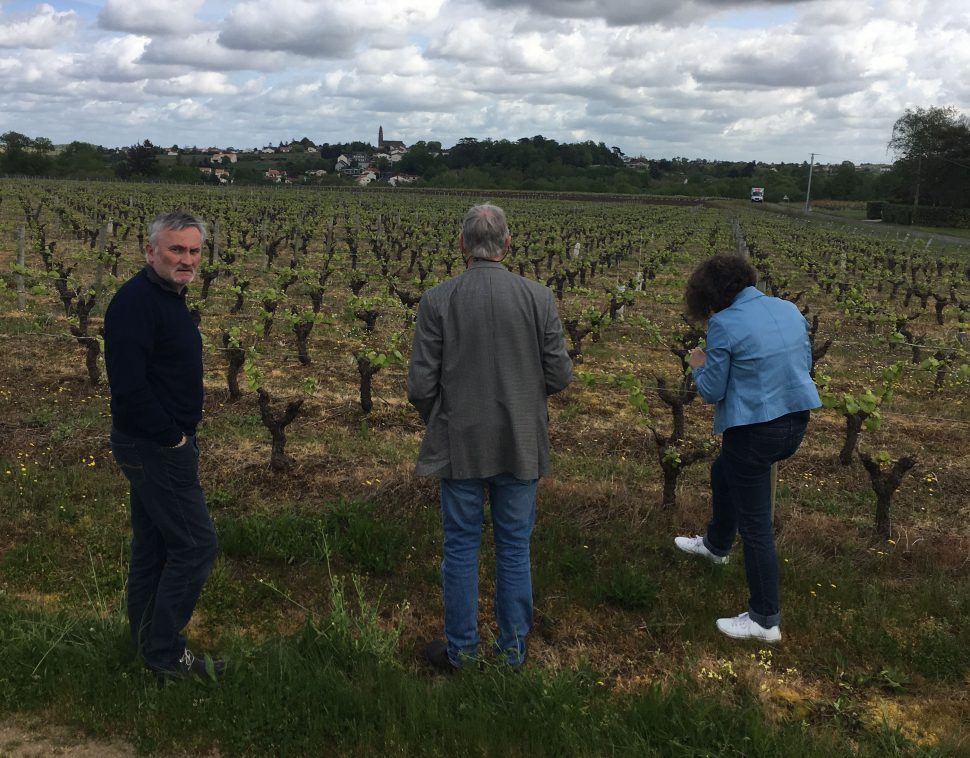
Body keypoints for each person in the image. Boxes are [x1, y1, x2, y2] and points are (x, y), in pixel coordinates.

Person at [407, 204, 573, 670]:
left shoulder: (438, 299)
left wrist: (441, 418)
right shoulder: (539, 298)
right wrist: (525, 402)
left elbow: (420, 385)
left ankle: (460, 652)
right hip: (521, 442)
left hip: (460, 442)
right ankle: (513, 652)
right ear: (507, 243)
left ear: (462, 244)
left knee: (460, 546)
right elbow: (559, 374)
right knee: (514, 546)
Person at [675, 254, 820, 642]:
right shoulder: (788, 308)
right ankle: (716, 545)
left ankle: (764, 619)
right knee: (722, 471)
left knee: (756, 526)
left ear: (711, 294)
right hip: (795, 422)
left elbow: (711, 391)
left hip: (754, 432)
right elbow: (804, 362)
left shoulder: (724, 323)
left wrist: (698, 363)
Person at [104, 211, 223, 680]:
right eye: (176, 249)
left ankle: (145, 643)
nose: (187, 259)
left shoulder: (166, 296)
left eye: (194, 251)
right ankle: (166, 654)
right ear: (150, 250)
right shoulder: (136, 302)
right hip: (155, 445)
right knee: (196, 545)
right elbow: (129, 387)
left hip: (153, 442)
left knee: (152, 548)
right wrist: (173, 438)